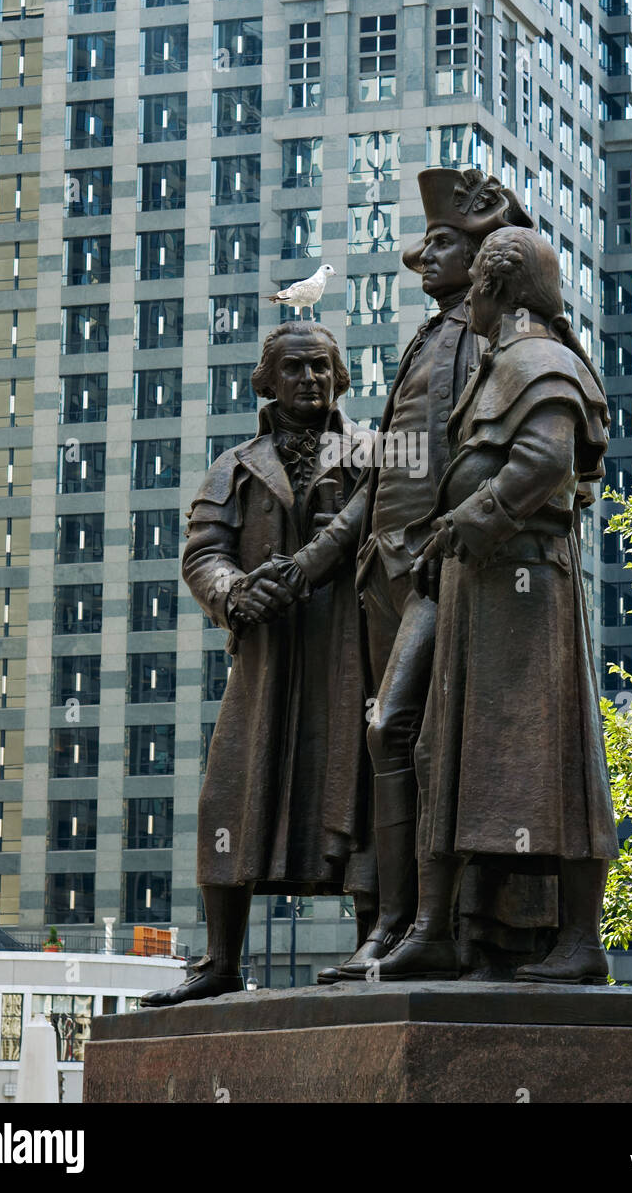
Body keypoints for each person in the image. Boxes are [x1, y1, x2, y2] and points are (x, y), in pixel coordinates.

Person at [245, 169, 551, 982]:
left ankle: (444, 926)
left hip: (448, 570)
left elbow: (526, 458)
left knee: (421, 741)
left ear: (487, 253)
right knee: (392, 743)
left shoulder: (503, 340)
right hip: (385, 577)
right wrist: (309, 563)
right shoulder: (426, 337)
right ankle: (391, 925)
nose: (425, 259)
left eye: (444, 244)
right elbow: (387, 472)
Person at [370, 225, 620, 983]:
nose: (468, 295)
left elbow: (544, 463)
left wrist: (463, 524)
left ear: (500, 287)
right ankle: (432, 930)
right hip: (477, 588)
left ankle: (581, 944)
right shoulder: (502, 363)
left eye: (478, 281)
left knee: (552, 761)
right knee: (437, 749)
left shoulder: (541, 360)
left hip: (526, 590)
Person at [141, 322, 375, 1006]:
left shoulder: (377, 455)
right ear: (267, 382)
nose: (311, 380)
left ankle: (372, 947)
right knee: (232, 793)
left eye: (323, 368)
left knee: (358, 788)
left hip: (350, 655)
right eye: (296, 369)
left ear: (341, 378)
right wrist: (235, 591)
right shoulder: (236, 466)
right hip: (266, 659)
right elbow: (203, 553)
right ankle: (220, 960)